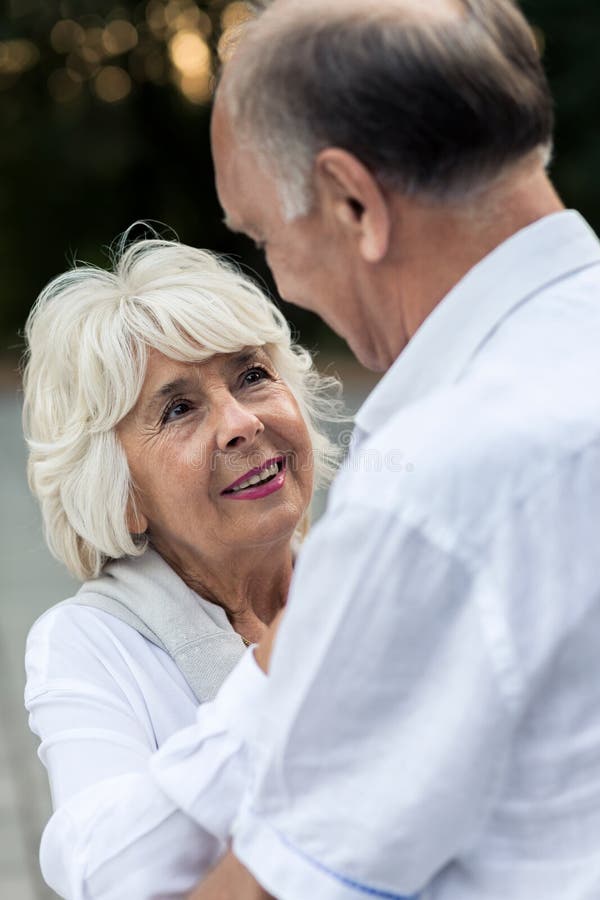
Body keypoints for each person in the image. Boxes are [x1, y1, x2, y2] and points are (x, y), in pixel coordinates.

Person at [155, 0, 600, 898]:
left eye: (264, 237)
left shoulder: (445, 483)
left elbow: (289, 882)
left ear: (354, 202)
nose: (278, 275)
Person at [22, 236, 342, 898]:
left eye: (252, 375)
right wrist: (282, 665)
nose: (241, 424)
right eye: (178, 408)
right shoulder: (87, 642)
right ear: (122, 494)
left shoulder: (367, 587)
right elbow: (110, 870)